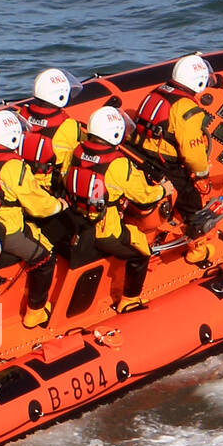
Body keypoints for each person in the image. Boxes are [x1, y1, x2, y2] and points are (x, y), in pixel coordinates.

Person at [0, 109, 67, 328]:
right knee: (45, 257)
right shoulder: (14, 167)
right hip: (5, 230)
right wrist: (59, 204)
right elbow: (38, 207)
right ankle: (35, 313)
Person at [64, 106, 165, 313]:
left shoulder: (75, 152)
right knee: (141, 252)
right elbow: (143, 195)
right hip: (105, 230)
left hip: (75, 219)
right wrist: (163, 190)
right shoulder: (119, 164)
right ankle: (130, 299)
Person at [131, 53, 223, 265]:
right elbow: (192, 152)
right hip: (164, 163)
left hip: (138, 154)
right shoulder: (188, 109)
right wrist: (201, 174)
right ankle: (197, 248)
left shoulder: (156, 92)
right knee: (192, 200)